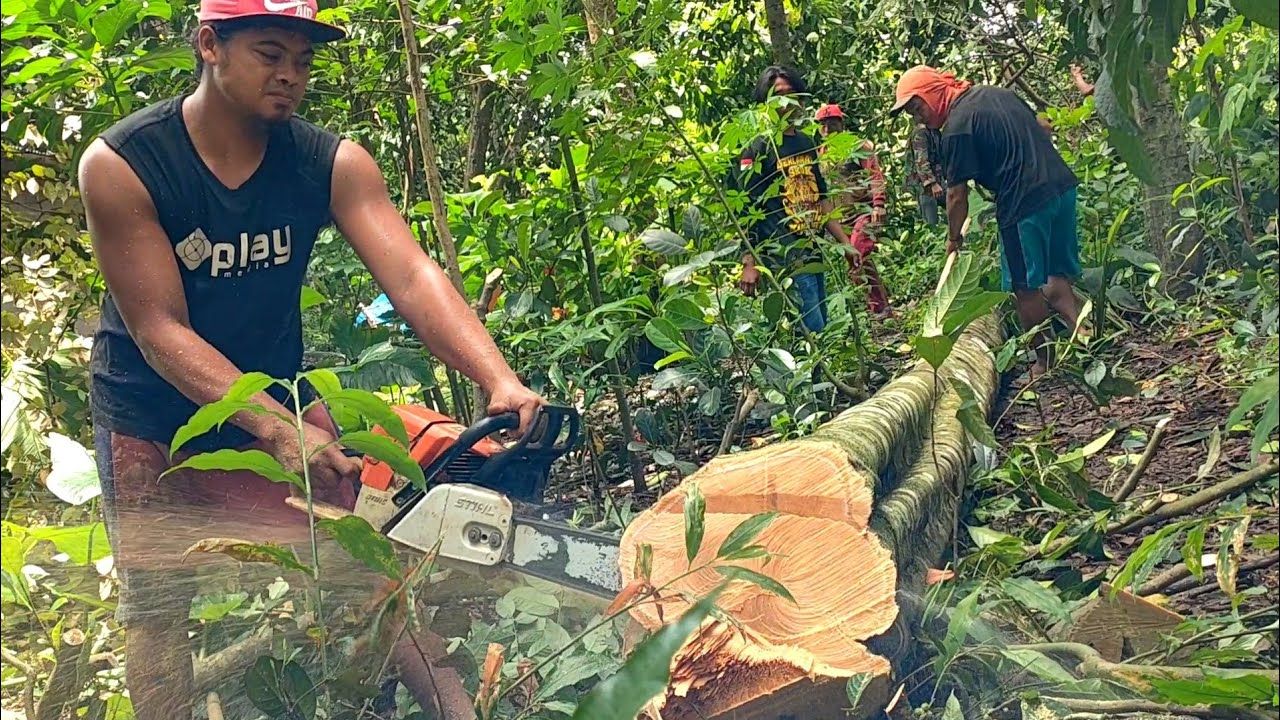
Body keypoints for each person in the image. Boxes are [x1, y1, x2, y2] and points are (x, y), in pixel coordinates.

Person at [77, 0, 542, 717]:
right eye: (269, 53)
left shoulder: (330, 163)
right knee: (157, 609)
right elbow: (158, 329)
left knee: (361, 568)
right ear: (210, 44)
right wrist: (274, 427)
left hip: (278, 391)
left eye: (302, 60)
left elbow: (414, 277)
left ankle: (457, 709)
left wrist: (498, 377)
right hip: (151, 410)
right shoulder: (125, 164)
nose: (290, 75)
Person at [890, 65, 1086, 376]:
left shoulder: (956, 128)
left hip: (1024, 203)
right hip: (1061, 188)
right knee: (1054, 274)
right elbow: (1044, 128)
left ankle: (1045, 364)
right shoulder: (997, 94)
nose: (918, 117)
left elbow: (956, 197)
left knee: (1024, 288)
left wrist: (953, 238)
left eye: (917, 107)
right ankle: (1088, 339)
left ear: (933, 93)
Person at [734, 66, 853, 334]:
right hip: (784, 251)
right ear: (765, 102)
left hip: (813, 245)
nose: (787, 102)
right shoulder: (757, 148)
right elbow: (747, 208)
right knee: (812, 326)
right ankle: (815, 375)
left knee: (820, 318)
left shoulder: (806, 142)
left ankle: (818, 374)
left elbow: (820, 197)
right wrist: (749, 263)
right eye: (778, 95)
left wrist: (845, 243)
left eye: (792, 94)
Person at [814, 103, 891, 316]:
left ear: (841, 123)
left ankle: (878, 309)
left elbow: (874, 174)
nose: (828, 130)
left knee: (859, 253)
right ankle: (878, 307)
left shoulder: (858, 146)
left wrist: (878, 203)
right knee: (858, 261)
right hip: (841, 217)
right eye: (823, 126)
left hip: (863, 211)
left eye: (832, 124)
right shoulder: (822, 153)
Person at [907, 123, 946, 225]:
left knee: (956, 205)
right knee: (930, 223)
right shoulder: (922, 131)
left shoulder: (934, 130)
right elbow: (921, 160)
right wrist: (931, 183)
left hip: (938, 179)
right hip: (925, 185)